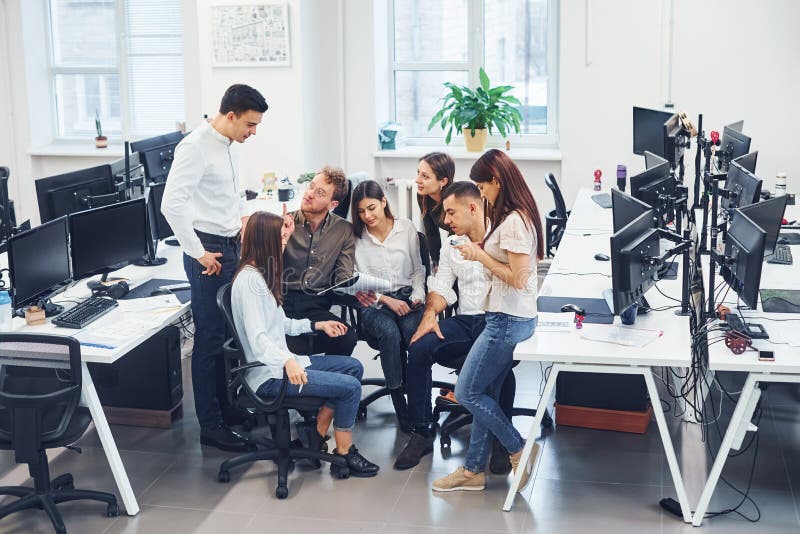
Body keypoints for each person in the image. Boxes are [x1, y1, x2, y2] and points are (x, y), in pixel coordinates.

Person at [231, 211, 379, 477]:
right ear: (266, 241)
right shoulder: (250, 281)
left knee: (353, 368)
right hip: (269, 377)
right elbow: (258, 339)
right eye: (281, 239)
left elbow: (281, 324)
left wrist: (316, 325)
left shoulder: (261, 274)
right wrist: (287, 361)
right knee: (350, 388)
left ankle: (315, 434)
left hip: (282, 365)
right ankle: (344, 452)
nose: (285, 243)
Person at [161, 84, 267, 452]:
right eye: (250, 125)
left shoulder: (229, 146)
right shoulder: (194, 147)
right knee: (207, 340)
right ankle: (211, 425)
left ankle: (228, 407)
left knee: (226, 334)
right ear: (231, 115)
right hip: (208, 254)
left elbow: (230, 196)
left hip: (230, 247)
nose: (253, 132)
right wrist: (198, 252)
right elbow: (171, 205)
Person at [432, 149, 544, 493]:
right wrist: (483, 250)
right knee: (485, 391)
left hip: (505, 321)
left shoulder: (513, 220)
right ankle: (473, 470)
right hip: (509, 316)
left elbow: (521, 278)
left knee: (466, 392)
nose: (481, 194)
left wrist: (480, 255)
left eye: (483, 186)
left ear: (496, 181)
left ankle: (518, 447)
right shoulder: (514, 216)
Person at [394, 182, 491, 470]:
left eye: (451, 213)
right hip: (465, 320)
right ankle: (422, 431)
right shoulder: (451, 243)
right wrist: (429, 315)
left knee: (496, 360)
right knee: (420, 345)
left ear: (472, 208)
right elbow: (442, 286)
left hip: (495, 320)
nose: (445, 221)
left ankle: (499, 439)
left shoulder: (501, 236)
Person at [350, 180, 425, 429]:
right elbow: (353, 279)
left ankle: (422, 405)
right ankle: (399, 402)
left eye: (371, 207)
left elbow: (418, 269)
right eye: (361, 211)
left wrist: (417, 296)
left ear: (384, 202)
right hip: (374, 303)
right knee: (389, 332)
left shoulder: (406, 228)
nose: (367, 216)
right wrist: (386, 300)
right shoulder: (356, 238)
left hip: (407, 297)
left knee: (415, 336)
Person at [282, 166, 359, 356]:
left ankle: (331, 382)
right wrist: (282, 237)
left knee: (346, 338)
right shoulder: (283, 222)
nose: (309, 194)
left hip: (315, 304)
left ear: (332, 204)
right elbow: (264, 268)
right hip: (280, 301)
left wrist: (356, 287)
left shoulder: (344, 230)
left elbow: (343, 276)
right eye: (311, 187)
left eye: (320, 192)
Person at [415, 152, 455, 267]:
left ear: (443, 181)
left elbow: (454, 238)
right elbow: (431, 232)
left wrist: (446, 264)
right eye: (418, 173)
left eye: (425, 176)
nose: (417, 180)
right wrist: (436, 262)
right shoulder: (423, 195)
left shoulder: (454, 200)